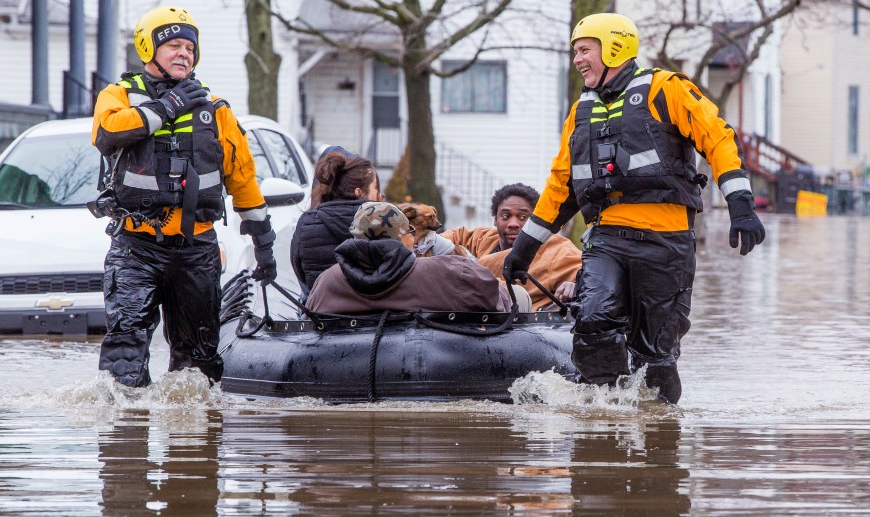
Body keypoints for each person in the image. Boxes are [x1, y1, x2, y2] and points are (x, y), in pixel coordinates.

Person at [503, 13, 766, 404]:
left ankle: (659, 443)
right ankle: (602, 424)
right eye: (575, 51)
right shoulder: (580, 113)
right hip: (607, 240)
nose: (576, 59)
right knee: (592, 323)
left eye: (583, 50)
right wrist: (523, 250)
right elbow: (561, 187)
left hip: (666, 245)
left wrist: (740, 204)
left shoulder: (666, 89)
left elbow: (719, 139)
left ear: (614, 48)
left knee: (656, 355)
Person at [91, 5, 276, 387]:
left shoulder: (216, 109)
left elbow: (242, 177)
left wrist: (264, 243)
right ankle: (125, 434)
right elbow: (107, 133)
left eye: (189, 48)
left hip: (196, 249)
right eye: (173, 45)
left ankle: (193, 440)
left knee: (199, 362)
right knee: (125, 353)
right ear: (148, 50)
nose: (184, 54)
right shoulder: (119, 96)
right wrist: (167, 107)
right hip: (136, 248)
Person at [306, 202, 512, 314]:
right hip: (436, 364)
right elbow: (497, 300)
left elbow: (310, 323)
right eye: (410, 231)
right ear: (405, 238)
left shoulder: (326, 281)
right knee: (518, 294)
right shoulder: (451, 271)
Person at [443, 183, 581, 310]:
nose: (513, 223)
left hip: (524, 327)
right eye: (505, 216)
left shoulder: (555, 247)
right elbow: (454, 236)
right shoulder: (487, 238)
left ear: (536, 221)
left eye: (523, 217)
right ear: (495, 220)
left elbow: (589, 274)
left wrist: (575, 285)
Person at [290, 146, 380, 296]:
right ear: (359, 192)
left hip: (322, 313)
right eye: (377, 193)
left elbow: (301, 274)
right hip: (376, 315)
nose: (380, 199)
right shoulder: (382, 222)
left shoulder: (306, 223)